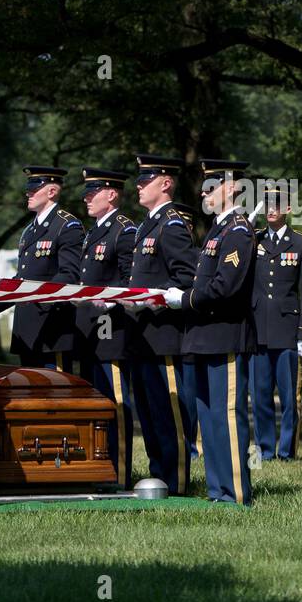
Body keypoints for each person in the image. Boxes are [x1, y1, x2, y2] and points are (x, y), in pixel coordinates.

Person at [163, 159, 257, 504]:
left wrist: (183, 299)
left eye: (211, 187)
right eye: (203, 188)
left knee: (228, 416)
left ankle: (235, 492)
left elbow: (224, 287)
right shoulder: (217, 231)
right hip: (203, 335)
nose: (204, 193)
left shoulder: (238, 231)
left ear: (231, 188)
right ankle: (218, 490)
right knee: (208, 415)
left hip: (225, 333)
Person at [123, 154, 197, 495]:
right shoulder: (146, 225)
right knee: (150, 414)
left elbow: (185, 278)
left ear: (165, 183)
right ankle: (158, 476)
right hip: (142, 335)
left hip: (163, 334)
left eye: (145, 180)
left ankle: (177, 480)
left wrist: (154, 297)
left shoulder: (172, 225)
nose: (138, 186)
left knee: (170, 414)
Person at [75, 167, 138, 490]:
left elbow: (131, 279)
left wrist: (111, 302)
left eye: (92, 192)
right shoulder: (94, 231)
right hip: (89, 329)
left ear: (111, 194)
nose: (86, 198)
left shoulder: (124, 231)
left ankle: (119, 471)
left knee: (114, 402)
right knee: (93, 402)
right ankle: (95, 467)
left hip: (111, 329)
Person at [249, 189, 302, 461]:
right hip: (258, 327)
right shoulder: (253, 239)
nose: (271, 209)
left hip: (288, 329)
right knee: (260, 395)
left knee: (289, 398)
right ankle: (265, 450)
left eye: (276, 205)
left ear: (288, 208)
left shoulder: (301, 243)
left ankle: (287, 451)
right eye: (266, 205)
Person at [10, 165, 83, 370]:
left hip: (51, 327)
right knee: (29, 397)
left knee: (54, 396)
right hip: (26, 328)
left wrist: (38, 297)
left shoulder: (67, 226)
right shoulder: (29, 230)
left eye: (34, 188)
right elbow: (23, 276)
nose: (28, 193)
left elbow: (69, 274)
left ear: (51, 191)